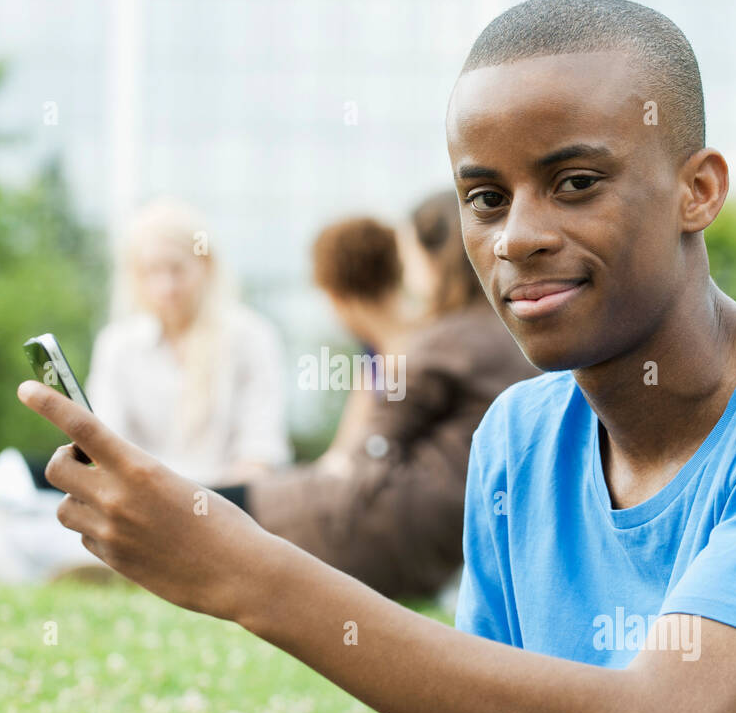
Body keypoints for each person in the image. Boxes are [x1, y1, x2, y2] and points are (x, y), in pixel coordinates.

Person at [0, 0, 736, 713]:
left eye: (573, 182)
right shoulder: (521, 440)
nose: (514, 235)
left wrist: (238, 566)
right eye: (483, 198)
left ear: (697, 188)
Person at [228, 207, 538, 599]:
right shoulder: (472, 334)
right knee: (225, 502)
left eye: (407, 258)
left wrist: (322, 485)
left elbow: (367, 449)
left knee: (223, 506)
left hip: (393, 522)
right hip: (419, 520)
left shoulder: (439, 341)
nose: (404, 272)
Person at [86, 198, 291, 485]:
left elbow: (261, 453)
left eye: (177, 269)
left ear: (206, 266)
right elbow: (104, 446)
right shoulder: (117, 345)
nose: (166, 287)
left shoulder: (251, 338)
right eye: (151, 272)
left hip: (229, 509)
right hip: (140, 507)